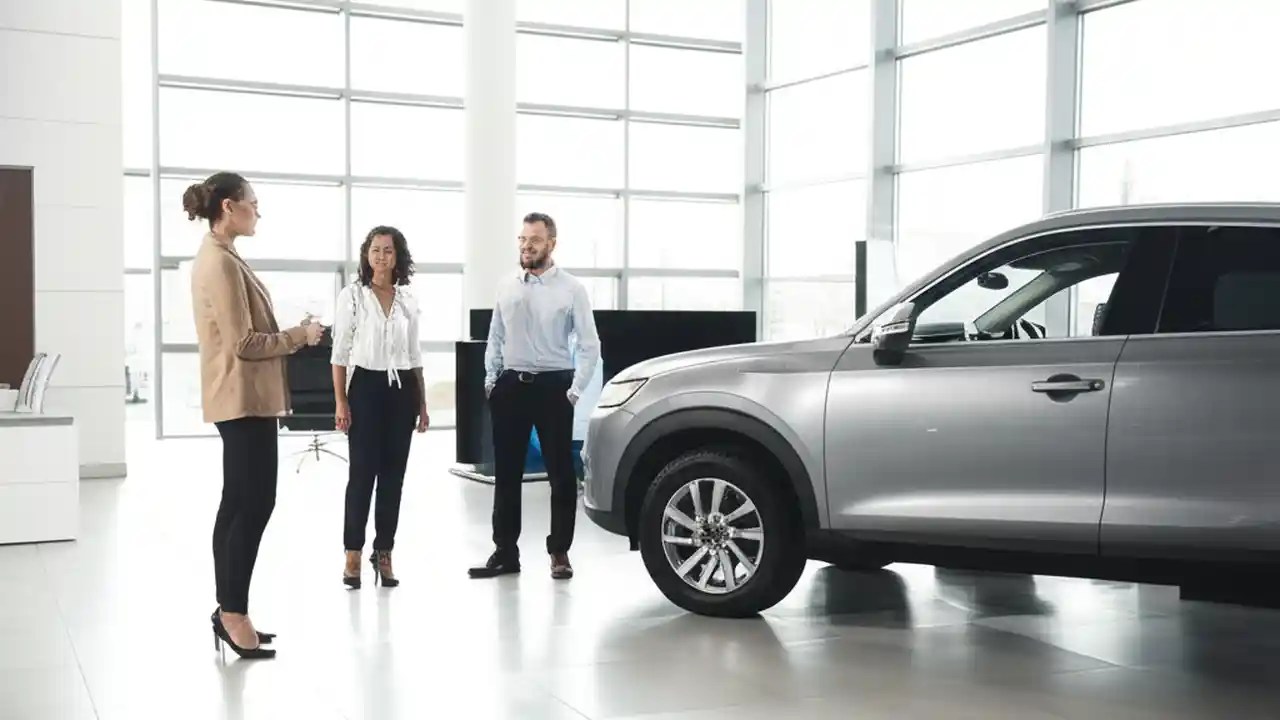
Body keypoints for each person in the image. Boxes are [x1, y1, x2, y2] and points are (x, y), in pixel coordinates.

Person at [186, 172, 324, 660]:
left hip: (242, 400)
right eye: (253, 204)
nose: (258, 212)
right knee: (252, 504)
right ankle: (232, 613)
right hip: (242, 400)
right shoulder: (219, 263)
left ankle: (230, 609)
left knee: (239, 504)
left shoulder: (222, 256)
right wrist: (300, 336)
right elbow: (245, 344)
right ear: (229, 207)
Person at [469, 212, 600, 581]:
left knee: (560, 474)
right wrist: (491, 380)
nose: (527, 246)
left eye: (535, 240)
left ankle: (559, 551)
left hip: (553, 388)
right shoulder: (506, 285)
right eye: (523, 240)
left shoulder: (572, 289)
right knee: (506, 475)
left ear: (551, 244)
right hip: (510, 387)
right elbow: (495, 336)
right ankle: (505, 552)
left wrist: (573, 392)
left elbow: (590, 346)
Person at [331, 226, 429, 589]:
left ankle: (383, 551)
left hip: (402, 390)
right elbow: (339, 353)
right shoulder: (353, 296)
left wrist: (421, 402)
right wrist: (341, 400)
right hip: (366, 389)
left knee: (393, 478)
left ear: (397, 256)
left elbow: (415, 354)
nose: (381, 256)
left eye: (388, 250)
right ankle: (352, 553)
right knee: (361, 476)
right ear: (366, 254)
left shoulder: (407, 300)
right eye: (375, 250)